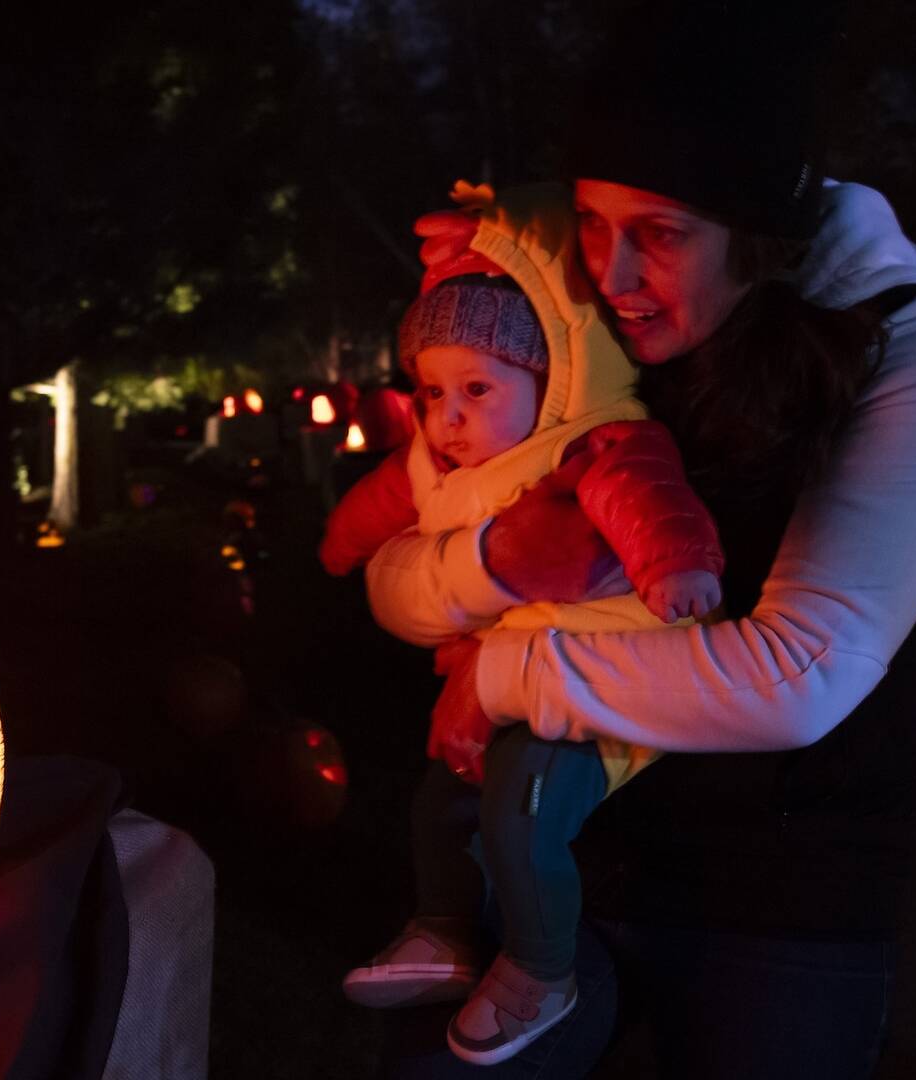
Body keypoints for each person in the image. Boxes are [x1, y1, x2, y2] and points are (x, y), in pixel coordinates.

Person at [369, 6, 916, 1077]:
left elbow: (801, 674)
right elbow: (397, 581)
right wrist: (495, 561)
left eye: (659, 233)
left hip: (784, 898)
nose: (610, 276)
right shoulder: (569, 318)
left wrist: (509, 669)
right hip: (569, 861)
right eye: (592, 224)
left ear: (757, 230)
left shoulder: (905, 346)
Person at [318, 183, 723, 1066]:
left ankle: (543, 971)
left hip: (594, 685)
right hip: (498, 687)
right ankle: (445, 929)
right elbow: (387, 498)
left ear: (548, 380)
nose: (448, 416)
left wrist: (675, 565)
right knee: (438, 804)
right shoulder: (440, 457)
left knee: (521, 815)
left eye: (475, 388)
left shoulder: (593, 445)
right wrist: (340, 545)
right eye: (429, 392)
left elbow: (647, 498)